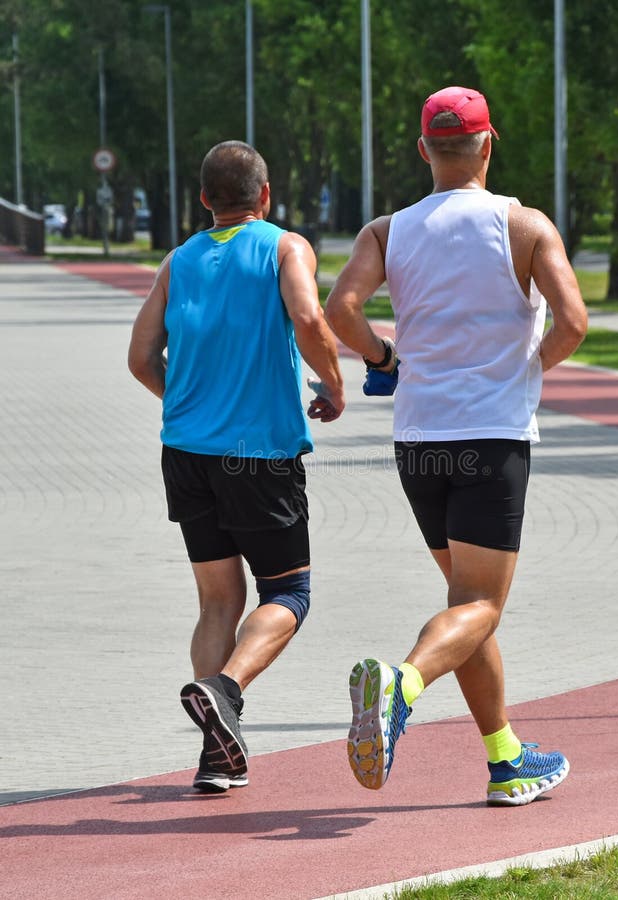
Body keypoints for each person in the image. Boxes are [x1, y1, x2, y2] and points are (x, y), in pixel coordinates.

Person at [325, 86, 587, 805]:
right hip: (491, 437)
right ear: (487, 143)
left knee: (463, 603)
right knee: (480, 607)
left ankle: (505, 761)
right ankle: (402, 684)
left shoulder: (386, 231)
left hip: (419, 443)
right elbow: (571, 321)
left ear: (423, 150)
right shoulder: (524, 225)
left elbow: (338, 310)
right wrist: (524, 368)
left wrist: (382, 359)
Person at [128, 140, 345, 793]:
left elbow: (141, 358)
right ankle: (225, 689)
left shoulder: (179, 260)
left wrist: (192, 404)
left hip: (185, 453)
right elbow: (307, 315)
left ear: (204, 200)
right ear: (266, 195)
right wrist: (332, 383)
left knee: (218, 599)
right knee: (289, 593)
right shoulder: (285, 247)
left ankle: (217, 757)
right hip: (258, 456)